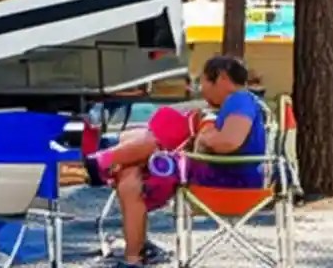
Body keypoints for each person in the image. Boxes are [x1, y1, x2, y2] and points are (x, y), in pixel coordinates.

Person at [106, 55, 268, 267]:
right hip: (224, 176)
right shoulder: (238, 103)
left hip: (226, 184)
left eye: (203, 82)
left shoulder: (240, 99)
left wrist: (204, 139)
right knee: (132, 172)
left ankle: (104, 163)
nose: (201, 89)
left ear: (221, 78)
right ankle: (136, 252)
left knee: (139, 168)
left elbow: (229, 141)